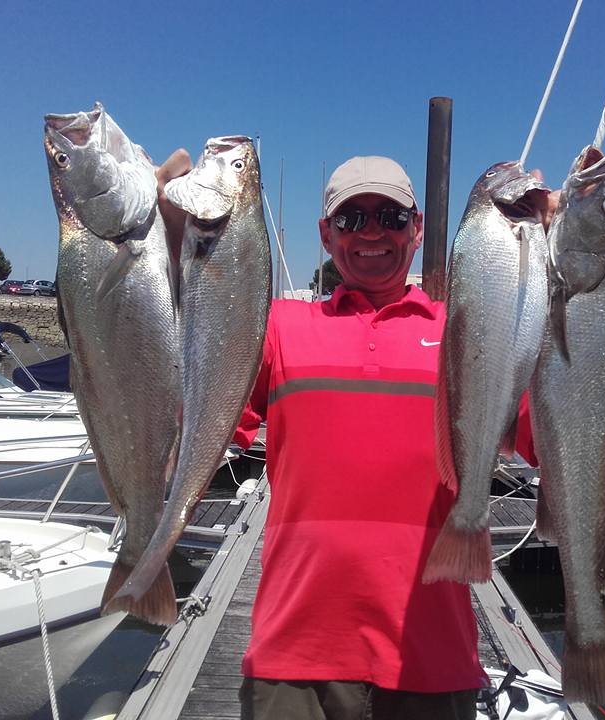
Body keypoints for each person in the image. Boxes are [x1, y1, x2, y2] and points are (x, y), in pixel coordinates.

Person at [155, 153, 553, 720]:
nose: (371, 232)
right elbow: (190, 424)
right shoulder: (275, 329)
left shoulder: (471, 333)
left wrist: (566, 257)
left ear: (416, 229)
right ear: (325, 234)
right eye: (350, 219)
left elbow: (550, 438)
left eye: (390, 217)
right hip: (292, 658)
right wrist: (160, 244)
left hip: (432, 657)